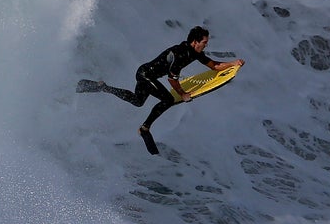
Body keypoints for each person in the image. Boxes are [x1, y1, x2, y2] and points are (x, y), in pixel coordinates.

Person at [78, 26, 244, 155]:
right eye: (204, 43)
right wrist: (183, 95)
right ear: (195, 41)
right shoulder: (181, 54)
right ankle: (145, 128)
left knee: (137, 101)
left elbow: (214, 66)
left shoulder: (195, 53)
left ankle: (102, 87)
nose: (206, 45)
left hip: (146, 74)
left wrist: (233, 63)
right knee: (168, 100)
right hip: (145, 75)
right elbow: (172, 79)